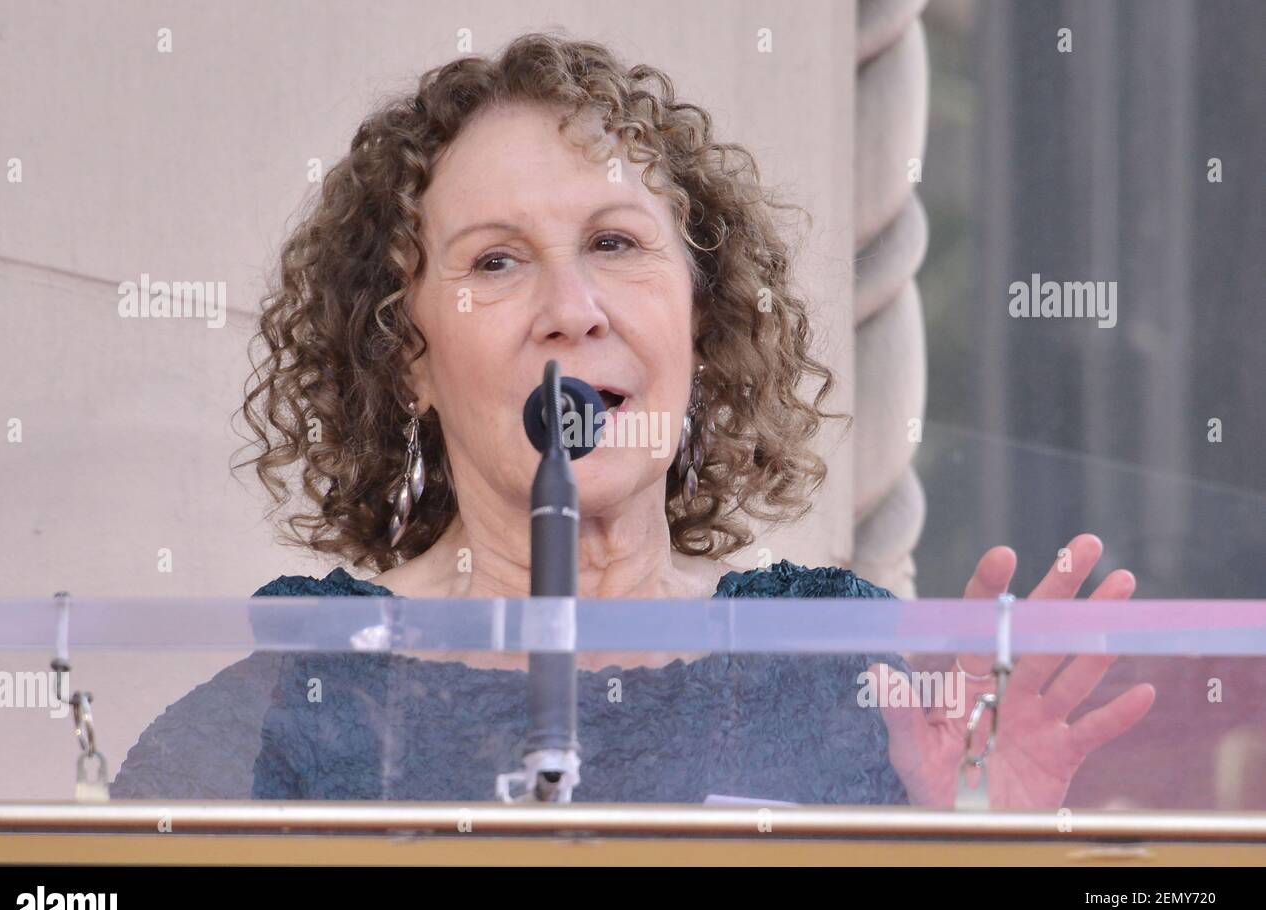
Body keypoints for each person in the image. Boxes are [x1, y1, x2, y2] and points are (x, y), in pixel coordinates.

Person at [111, 33, 1153, 807]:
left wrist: (984, 839)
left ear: (700, 320)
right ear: (405, 357)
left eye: (614, 242)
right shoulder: (302, 695)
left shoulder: (836, 665)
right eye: (495, 261)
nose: (572, 308)